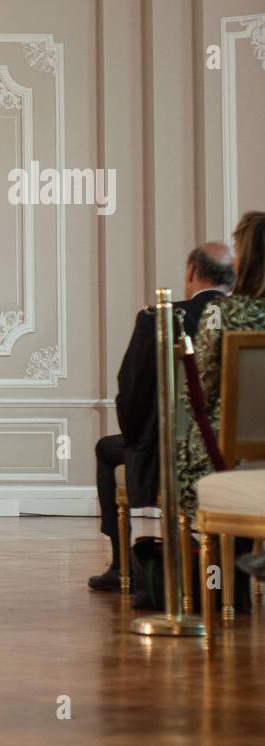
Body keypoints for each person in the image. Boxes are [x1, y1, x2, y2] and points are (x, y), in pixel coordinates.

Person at [88, 243, 233, 591]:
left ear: (191, 273)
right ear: (232, 279)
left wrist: (138, 439)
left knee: (107, 449)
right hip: (241, 460)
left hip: (175, 454)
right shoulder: (249, 319)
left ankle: (123, 565)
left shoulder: (160, 318)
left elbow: (132, 392)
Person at [177, 212, 265, 527]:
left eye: (238, 251)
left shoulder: (219, 312)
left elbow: (198, 393)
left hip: (224, 457)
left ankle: (213, 567)